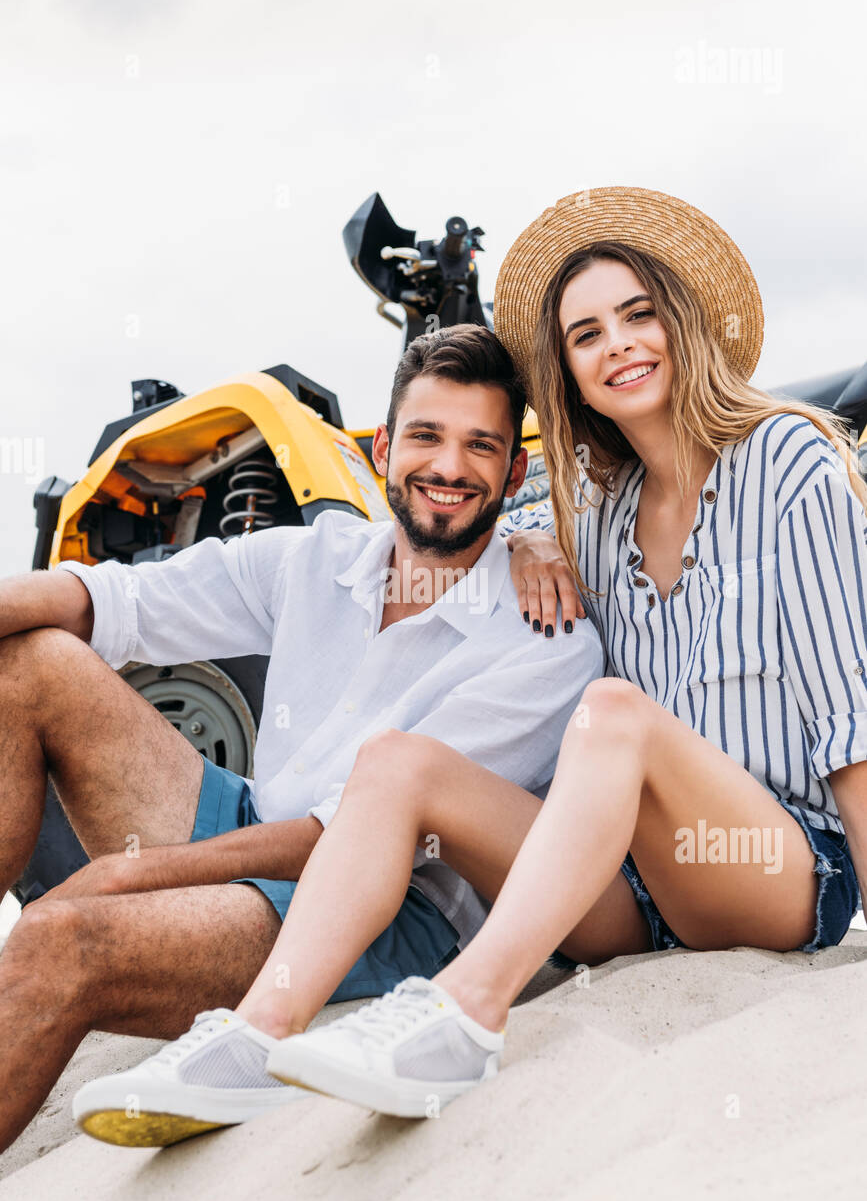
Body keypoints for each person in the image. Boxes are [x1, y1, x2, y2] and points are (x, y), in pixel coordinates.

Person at [246, 186, 867, 1119]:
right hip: (635, 896)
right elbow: (493, 527)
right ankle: (253, 1037)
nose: (616, 344)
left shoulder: (788, 465)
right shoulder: (598, 517)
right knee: (399, 761)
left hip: (782, 870)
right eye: (585, 335)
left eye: (637, 315)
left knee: (612, 714)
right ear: (569, 375)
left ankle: (462, 1011)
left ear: (681, 326)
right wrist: (535, 542)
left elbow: (850, 723)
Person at [0, 323, 603, 1153]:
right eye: (426, 436)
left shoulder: (543, 639)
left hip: (384, 908)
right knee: (31, 660)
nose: (449, 468)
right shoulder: (319, 557)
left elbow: (335, 836)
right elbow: (115, 601)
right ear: (384, 447)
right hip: (250, 820)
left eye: (480, 446)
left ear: (515, 469)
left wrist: (121, 876)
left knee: (59, 940)